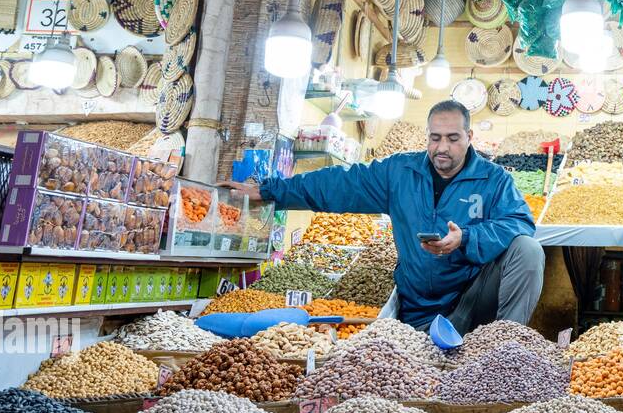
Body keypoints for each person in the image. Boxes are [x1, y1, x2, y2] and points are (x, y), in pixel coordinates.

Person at [220, 100, 544, 333]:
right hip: (416, 311)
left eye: (453, 138)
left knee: (528, 249)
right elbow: (339, 185)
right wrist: (270, 191)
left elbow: (518, 224)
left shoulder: (492, 179)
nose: (442, 147)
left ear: (469, 137)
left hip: (471, 301)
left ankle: (506, 346)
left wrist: (467, 239)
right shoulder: (398, 173)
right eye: (435, 137)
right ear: (427, 136)